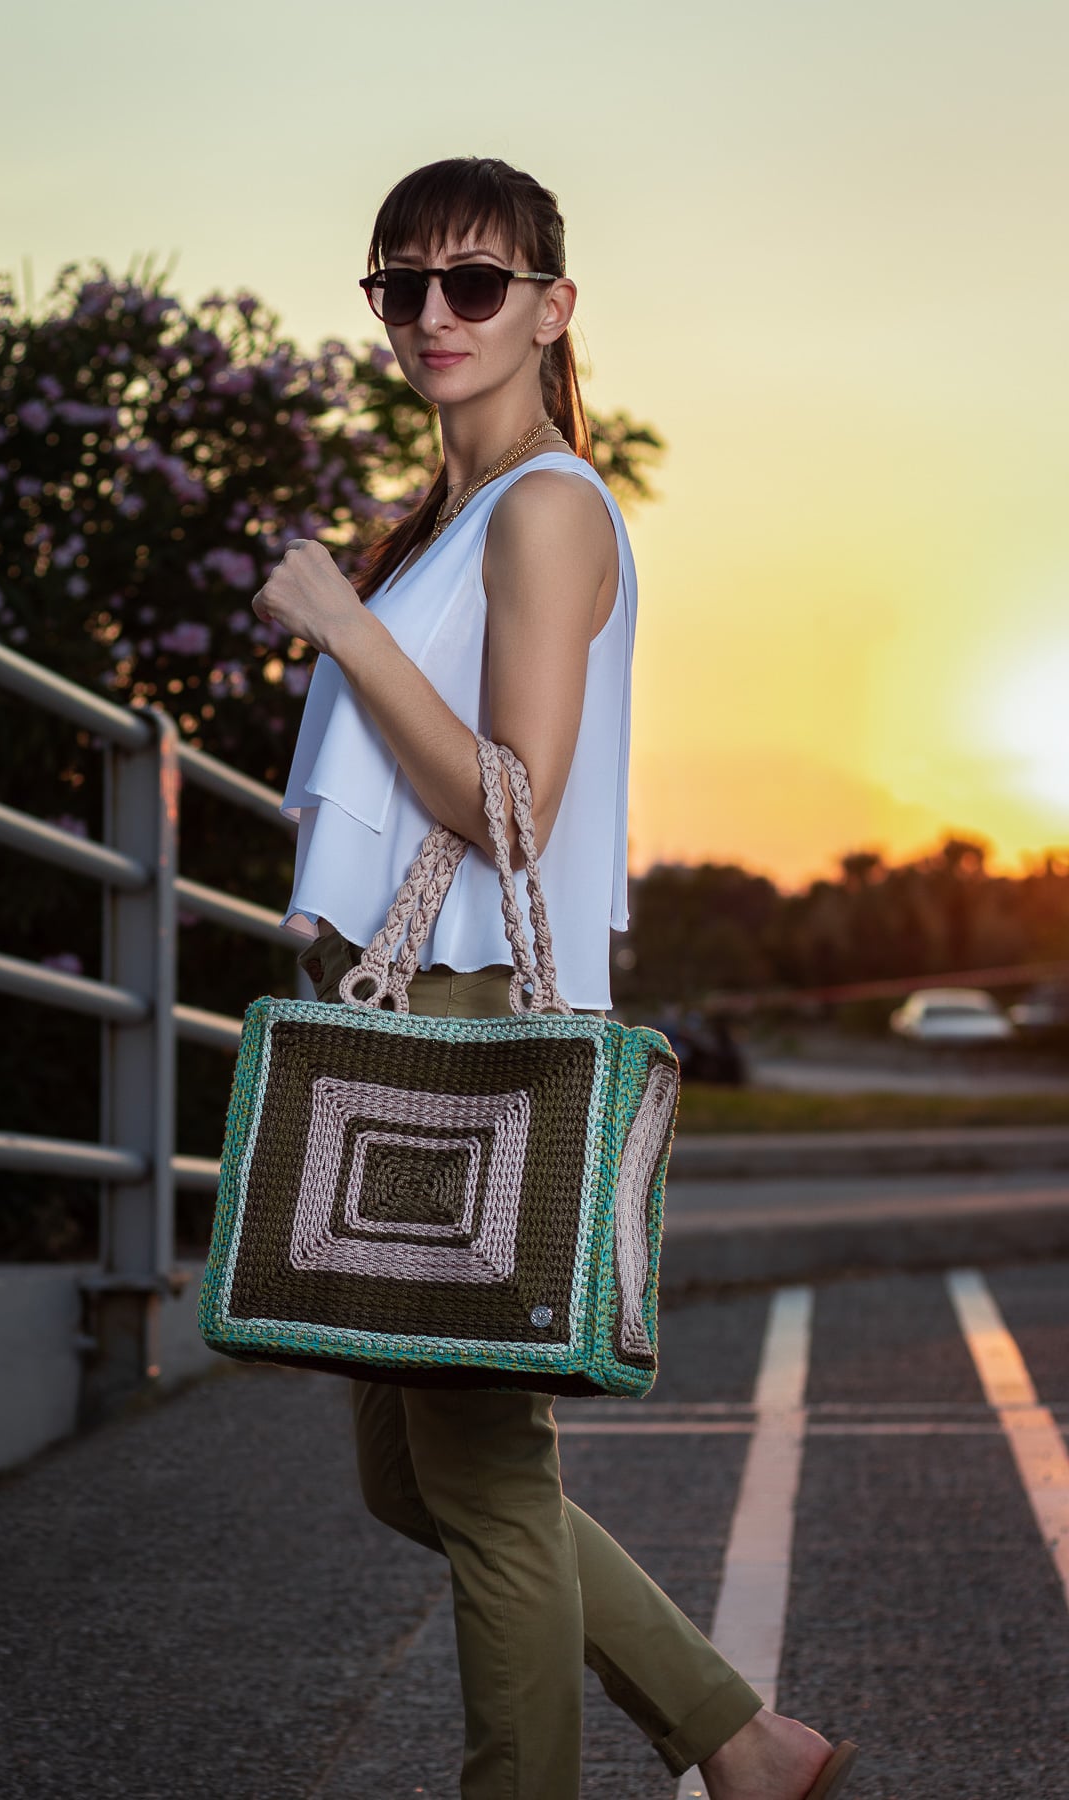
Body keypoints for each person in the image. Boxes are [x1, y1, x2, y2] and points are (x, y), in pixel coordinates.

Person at [252, 155, 858, 1800]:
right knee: (417, 1476)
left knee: (488, 1479)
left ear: (551, 307)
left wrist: (338, 623)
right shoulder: (451, 520)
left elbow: (512, 798)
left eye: (476, 283)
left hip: (472, 1024)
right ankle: (741, 1738)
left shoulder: (545, 506)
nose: (435, 315)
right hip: (415, 1017)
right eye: (404, 285)